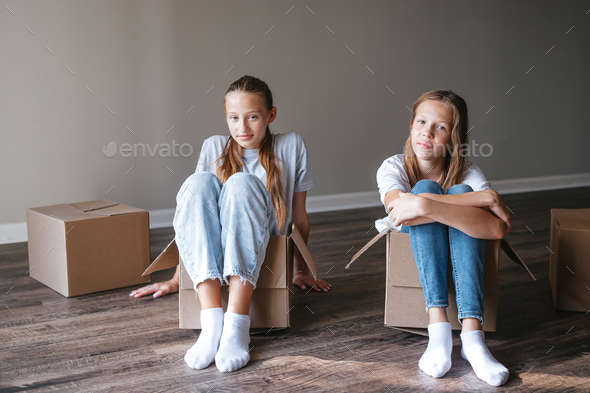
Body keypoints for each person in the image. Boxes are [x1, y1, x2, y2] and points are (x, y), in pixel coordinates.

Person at [130, 75, 331, 372]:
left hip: (263, 246)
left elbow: (298, 217)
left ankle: (236, 324)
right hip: (219, 252)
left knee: (240, 184)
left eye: (252, 117)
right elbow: (196, 219)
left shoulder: (290, 146)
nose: (242, 128)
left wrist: (299, 269)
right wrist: (177, 279)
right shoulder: (213, 147)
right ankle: (212, 322)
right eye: (233, 118)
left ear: (270, 115)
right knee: (197, 184)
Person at [376, 90, 511, 387]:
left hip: (449, 218)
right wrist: (480, 200)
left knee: (460, 191)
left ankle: (473, 338)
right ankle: (438, 332)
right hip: (421, 237)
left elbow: (497, 229)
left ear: (453, 138)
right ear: (411, 125)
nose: (428, 132)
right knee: (429, 187)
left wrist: (423, 206)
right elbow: (401, 213)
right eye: (422, 121)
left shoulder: (467, 172)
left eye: (441, 127)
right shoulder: (393, 167)